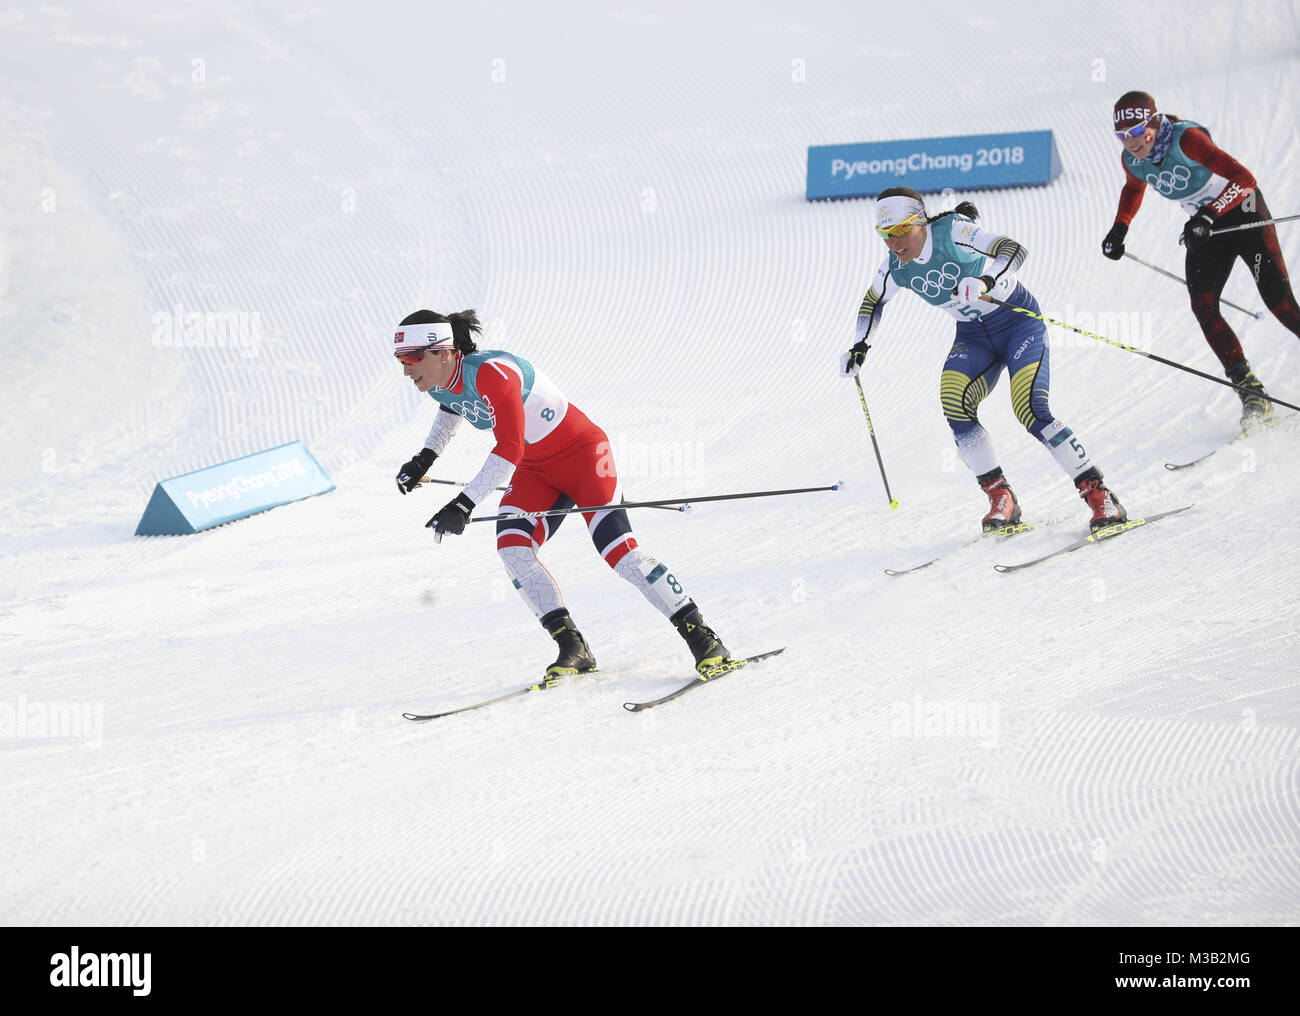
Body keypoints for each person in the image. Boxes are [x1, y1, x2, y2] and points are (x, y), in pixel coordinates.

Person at [392, 309, 730, 679]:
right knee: (513, 549)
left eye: (412, 359)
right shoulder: (437, 380)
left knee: (619, 552)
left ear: (443, 351)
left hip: (583, 456)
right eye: (400, 360)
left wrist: (464, 503)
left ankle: (704, 639)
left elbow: (508, 450)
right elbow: (450, 408)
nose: (407, 370)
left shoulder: (494, 373)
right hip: (537, 470)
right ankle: (573, 647)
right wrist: (424, 458)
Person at [841, 187, 1126, 533]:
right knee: (954, 403)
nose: (894, 242)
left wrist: (985, 279)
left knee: (1030, 409)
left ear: (921, 222)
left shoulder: (953, 233)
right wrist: (860, 345)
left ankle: (1099, 495)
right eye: (886, 235)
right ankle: (1000, 497)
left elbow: (1014, 249)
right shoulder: (894, 267)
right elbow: (874, 301)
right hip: (973, 338)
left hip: (1018, 324)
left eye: (902, 231)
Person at [1102, 90, 1300, 427]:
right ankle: (1252, 394)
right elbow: (1134, 188)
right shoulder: (1132, 159)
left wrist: (1209, 214)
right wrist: (1119, 229)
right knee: (1203, 305)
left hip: (1244, 214)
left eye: (1136, 132)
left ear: (1153, 123)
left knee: (1279, 303)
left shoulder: (1187, 140)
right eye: (1122, 136)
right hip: (1204, 228)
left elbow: (1245, 179)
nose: (1131, 142)